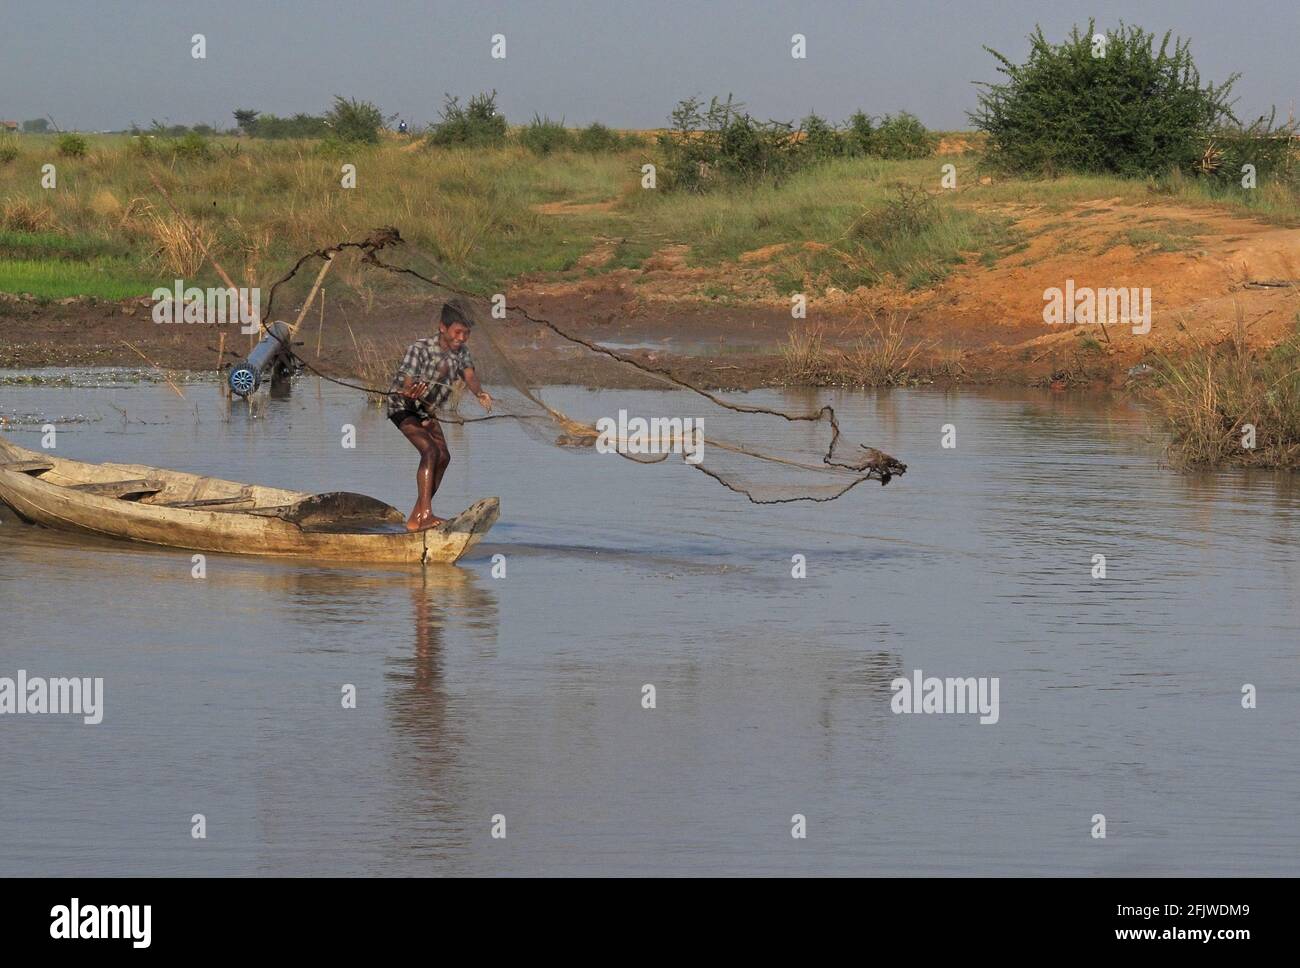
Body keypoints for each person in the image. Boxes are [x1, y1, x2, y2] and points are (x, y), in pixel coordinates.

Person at [387, 299, 492, 530]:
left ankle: (417, 517)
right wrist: (410, 390)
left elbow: (470, 376)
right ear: (442, 328)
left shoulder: (462, 353)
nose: (462, 338)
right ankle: (426, 515)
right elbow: (407, 381)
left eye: (466, 333)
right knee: (430, 450)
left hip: (425, 409)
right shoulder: (420, 348)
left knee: (443, 456)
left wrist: (480, 393)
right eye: (458, 332)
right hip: (402, 405)